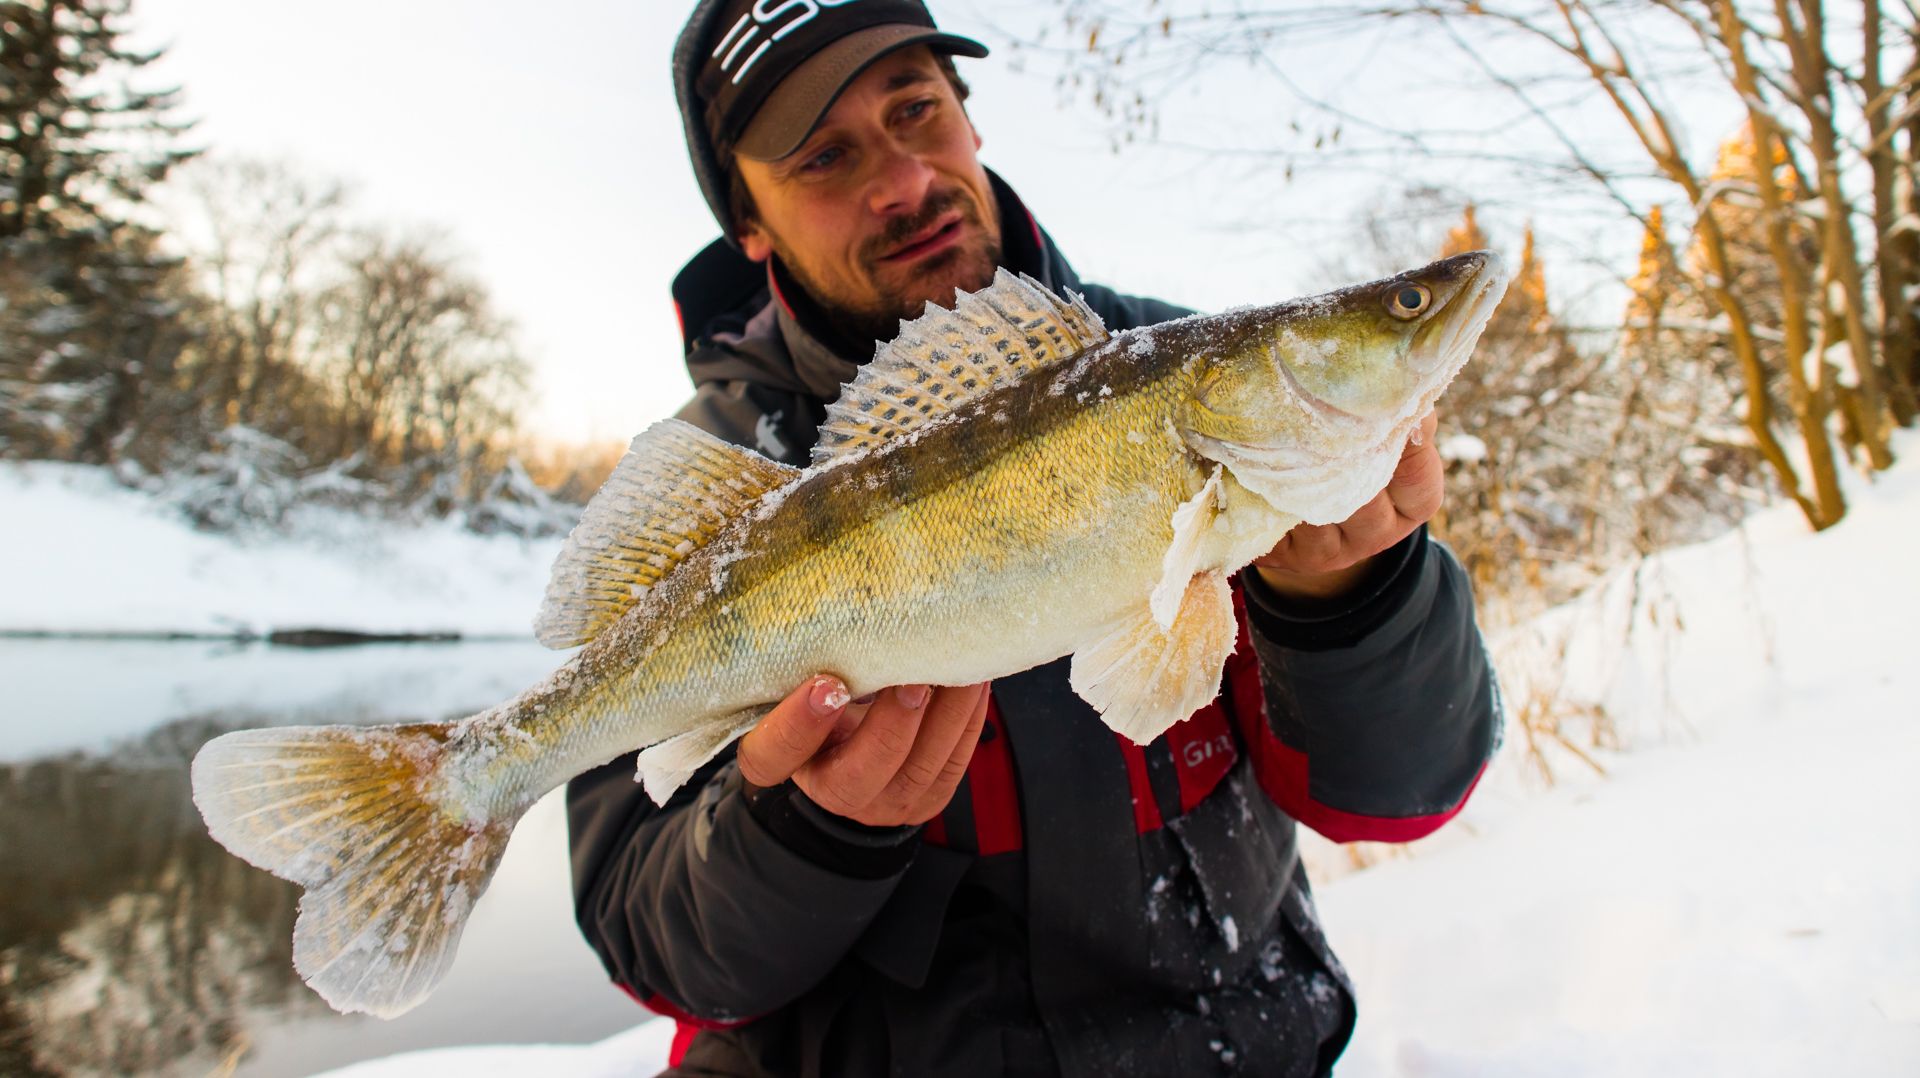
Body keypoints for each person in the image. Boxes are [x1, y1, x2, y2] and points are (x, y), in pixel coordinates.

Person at [567, 2, 1500, 1074]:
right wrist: (801, 836)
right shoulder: (715, 500)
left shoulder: (1184, 375)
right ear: (750, 225)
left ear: (969, 115)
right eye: (825, 156)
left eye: (916, 108)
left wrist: (1354, 601)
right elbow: (651, 941)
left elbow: (1399, 791)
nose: (904, 182)